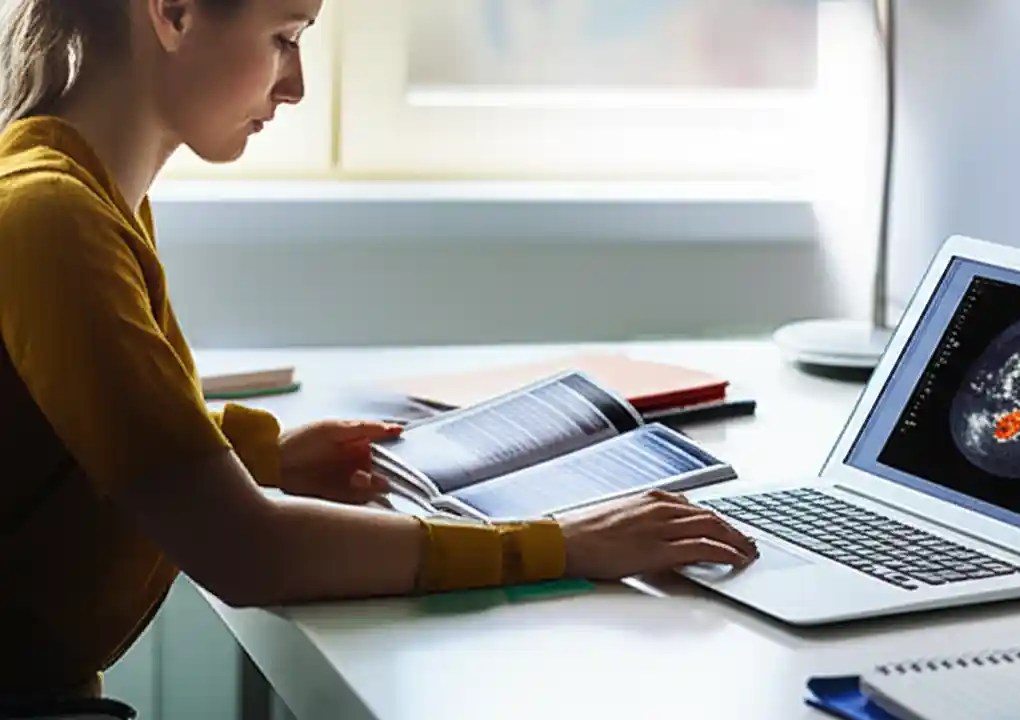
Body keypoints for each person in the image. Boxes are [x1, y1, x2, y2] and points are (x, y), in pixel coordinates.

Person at [0, 0, 758, 704]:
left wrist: (267, 454)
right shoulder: (54, 219)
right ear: (172, 11)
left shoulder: (76, 193)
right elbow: (245, 550)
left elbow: (79, 427)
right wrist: (555, 546)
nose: (294, 85)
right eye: (284, 37)